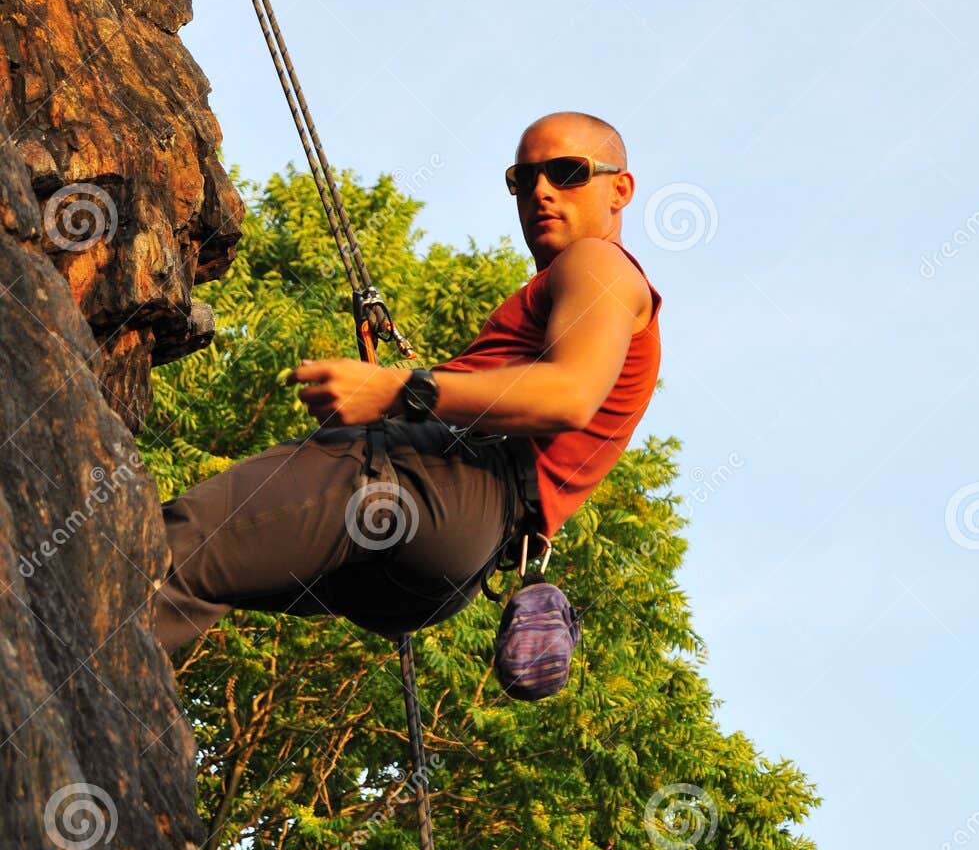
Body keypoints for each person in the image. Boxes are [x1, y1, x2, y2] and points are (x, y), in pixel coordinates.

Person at [152, 111, 663, 653]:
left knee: (163, 551)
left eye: (567, 171)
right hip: (450, 564)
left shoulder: (597, 263)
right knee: (194, 581)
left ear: (620, 189)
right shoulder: (574, 290)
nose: (541, 190)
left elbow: (570, 395)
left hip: (444, 484)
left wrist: (399, 391)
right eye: (523, 177)